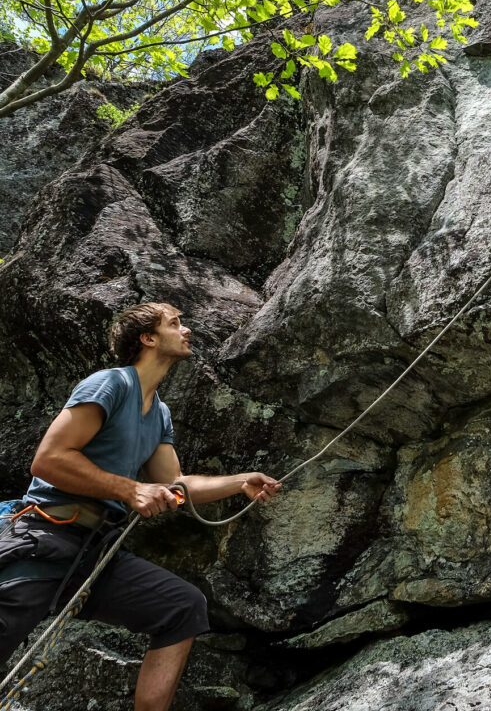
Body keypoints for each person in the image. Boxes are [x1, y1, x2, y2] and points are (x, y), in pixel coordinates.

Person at [0, 302, 282, 711]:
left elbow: (175, 485)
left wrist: (240, 483)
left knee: (181, 606)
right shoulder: (111, 384)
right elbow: (49, 459)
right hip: (45, 538)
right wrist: (132, 490)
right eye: (175, 324)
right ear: (148, 338)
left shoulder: (160, 413)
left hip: (93, 555)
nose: (186, 331)